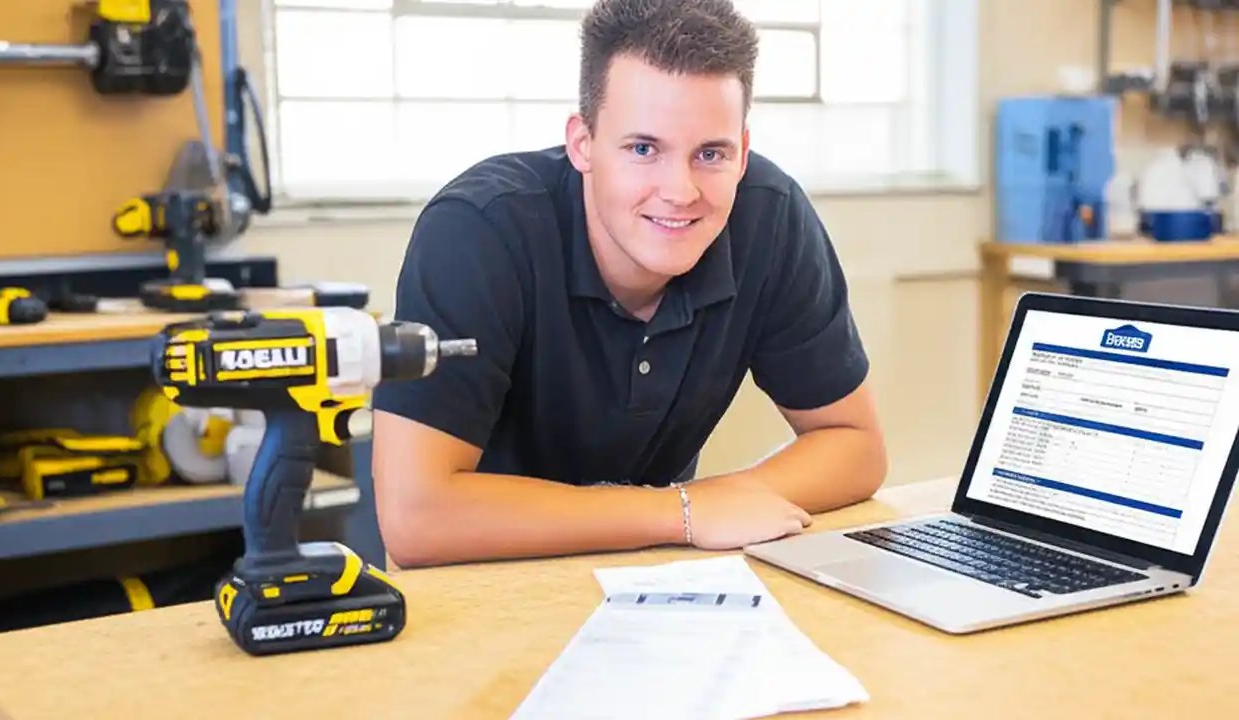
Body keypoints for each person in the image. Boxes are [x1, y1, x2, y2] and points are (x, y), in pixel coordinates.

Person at [371, 0, 887, 568]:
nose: (680, 191)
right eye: (643, 149)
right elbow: (416, 519)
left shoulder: (771, 215)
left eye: (710, 154)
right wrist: (683, 512)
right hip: (483, 579)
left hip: (654, 574)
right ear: (582, 144)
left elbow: (856, 445)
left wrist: (704, 508)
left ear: (742, 153)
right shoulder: (477, 229)